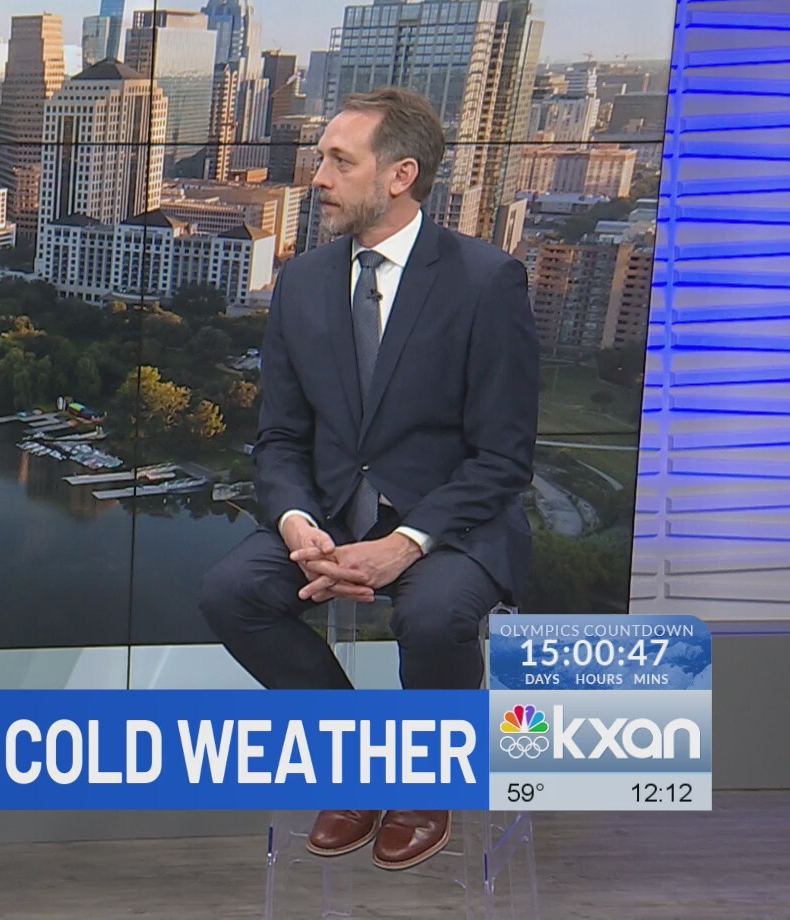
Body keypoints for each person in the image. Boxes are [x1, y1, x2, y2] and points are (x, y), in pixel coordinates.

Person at [197, 87, 539, 872]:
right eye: (320, 157)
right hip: (328, 518)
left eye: (337, 161)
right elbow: (280, 438)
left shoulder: (488, 282)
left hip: (445, 520)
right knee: (229, 592)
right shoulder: (303, 282)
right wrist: (293, 523)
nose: (316, 176)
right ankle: (352, 763)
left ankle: (426, 785)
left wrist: (406, 544)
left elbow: (503, 458)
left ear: (400, 175)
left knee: (435, 617)